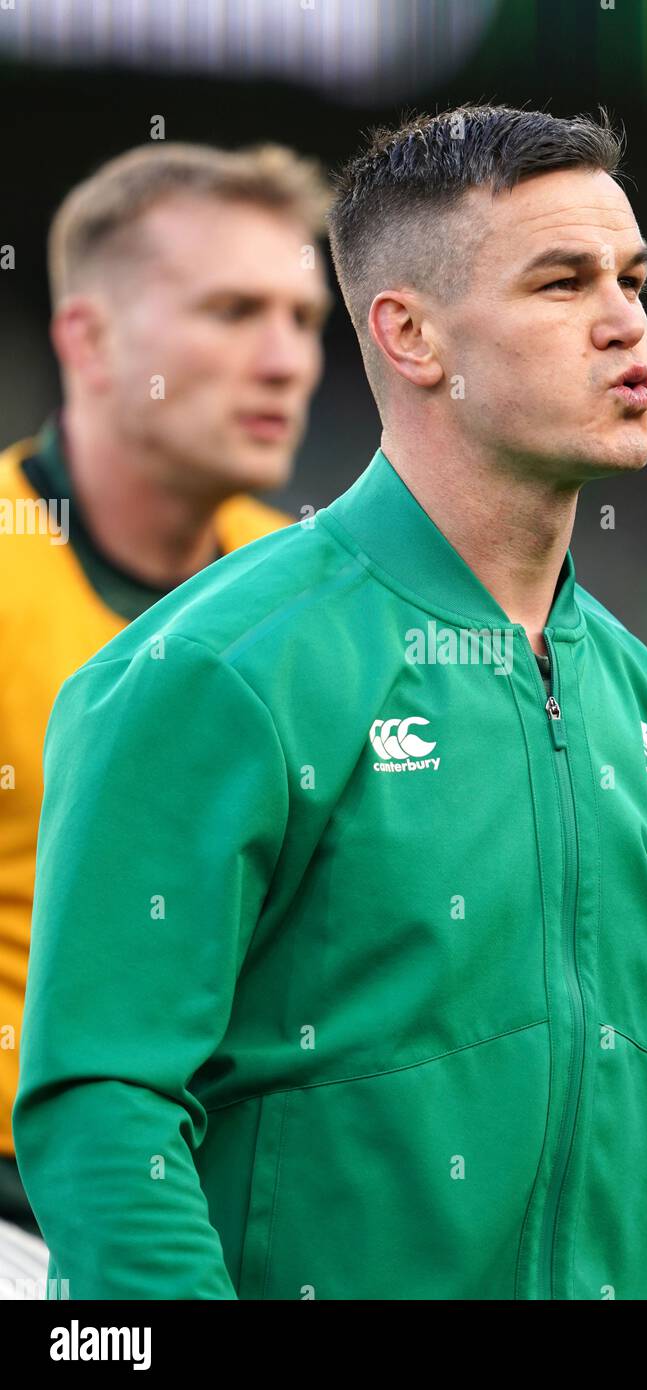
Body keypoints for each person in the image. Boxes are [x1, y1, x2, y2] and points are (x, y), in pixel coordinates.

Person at [13, 105, 647, 1300]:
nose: (623, 321)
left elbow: (642, 1143)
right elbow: (104, 1106)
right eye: (560, 283)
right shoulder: (214, 667)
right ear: (411, 337)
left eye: (632, 279)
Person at [0, 140, 332, 1290]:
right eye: (235, 310)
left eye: (304, 317)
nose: (286, 360)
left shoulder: (315, 586)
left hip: (246, 1209)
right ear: (89, 341)